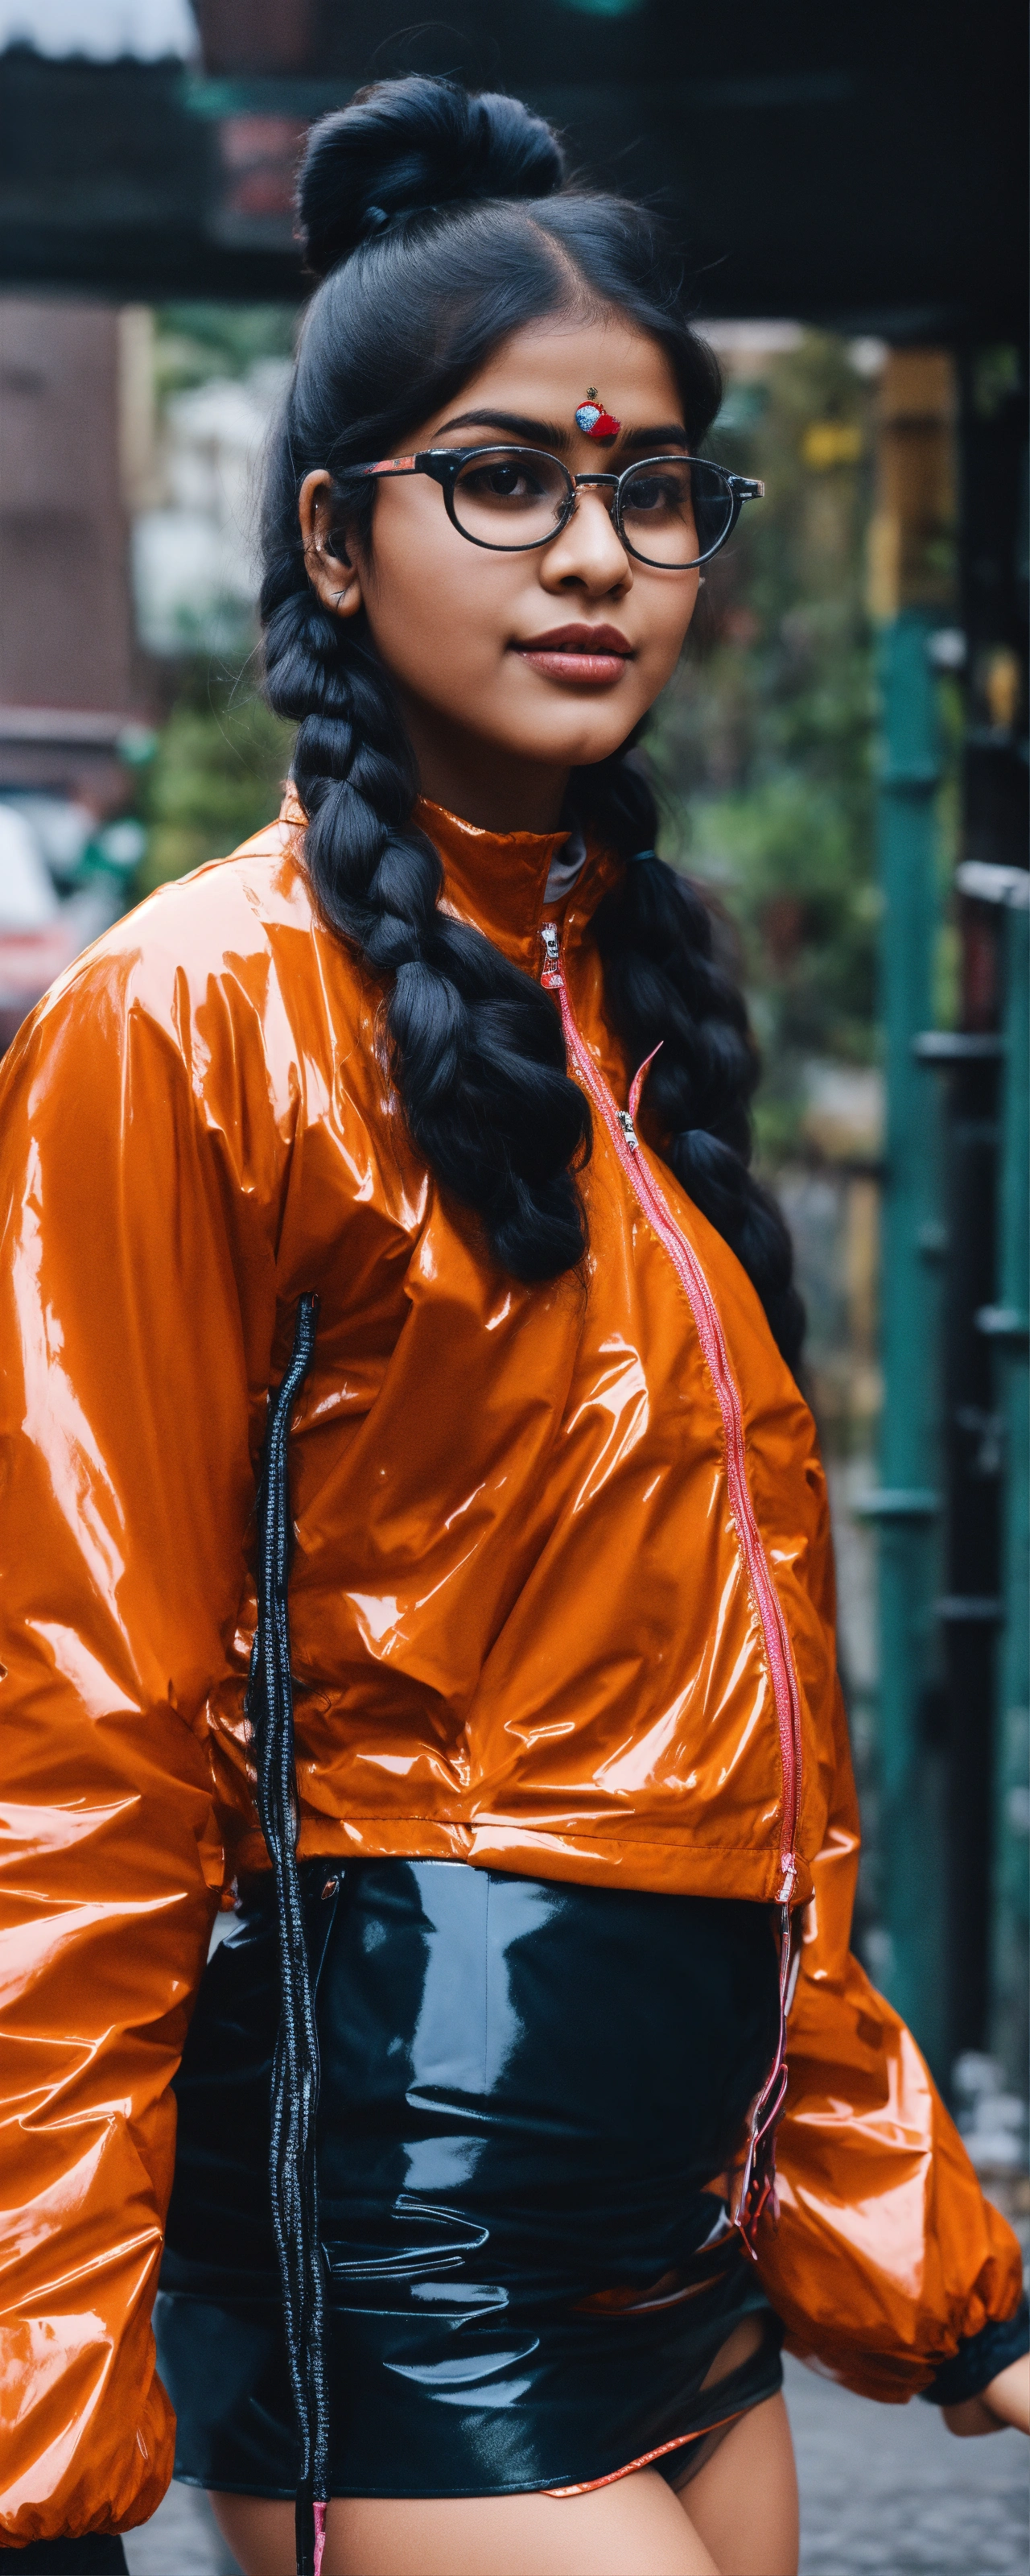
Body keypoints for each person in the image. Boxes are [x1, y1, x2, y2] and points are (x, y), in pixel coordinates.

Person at [0, 74, 1026, 2576]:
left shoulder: (635, 1034)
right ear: (336, 543)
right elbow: (75, 1729)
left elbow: (749, 1754)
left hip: (683, 2240)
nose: (598, 557)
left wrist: (939, 2272)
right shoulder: (187, 1017)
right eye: (508, 481)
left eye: (655, 488)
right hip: (393, 2213)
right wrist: (34, 2399)